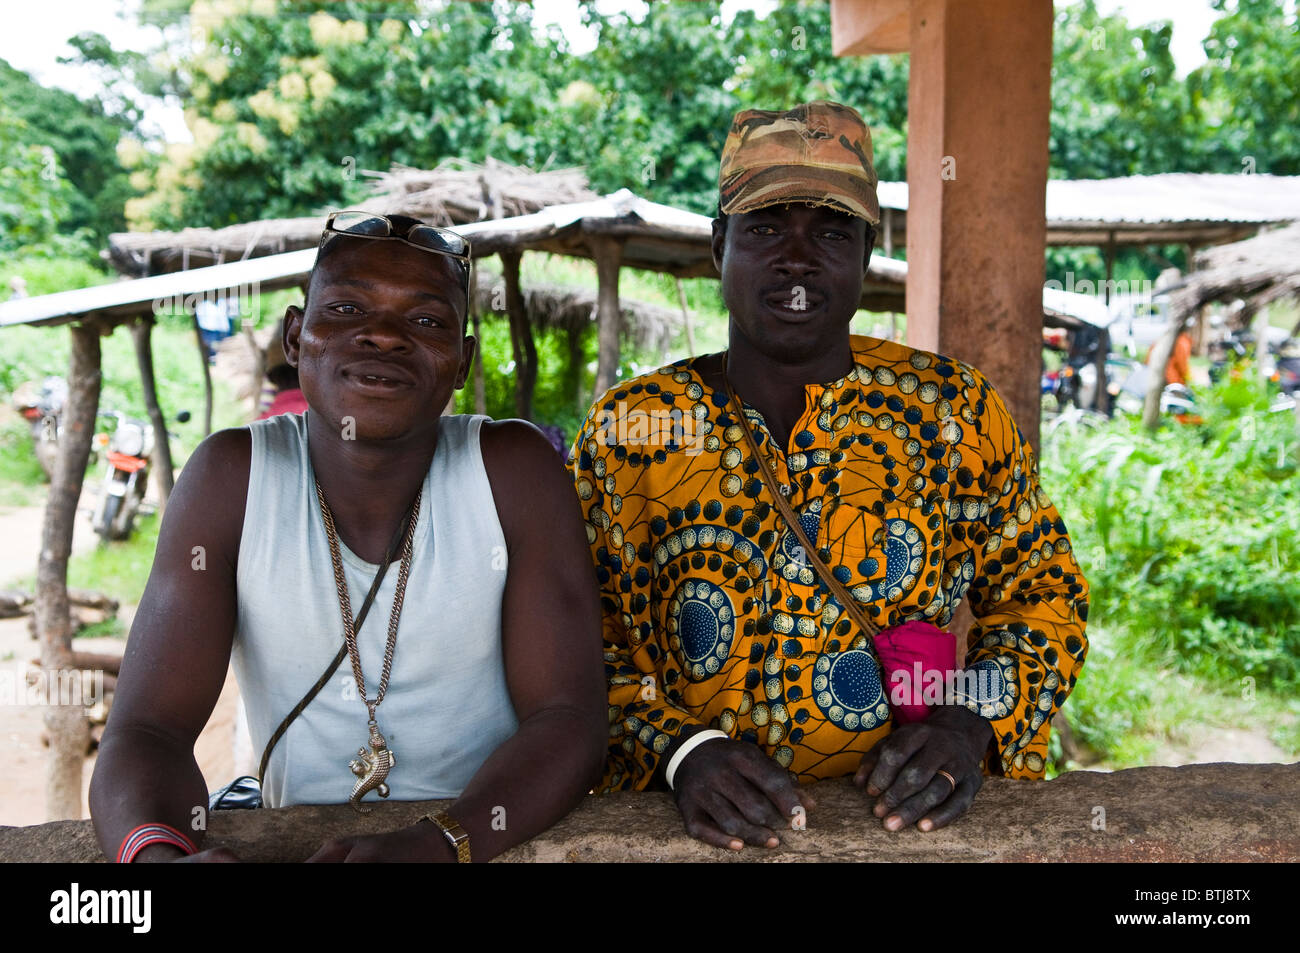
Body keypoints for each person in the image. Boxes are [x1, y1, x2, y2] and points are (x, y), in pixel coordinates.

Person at [570, 101, 1090, 851]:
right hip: (690, 833)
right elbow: (577, 641)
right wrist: (681, 753)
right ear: (720, 245)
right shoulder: (631, 430)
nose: (797, 256)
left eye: (831, 230)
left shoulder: (955, 411)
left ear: (867, 251)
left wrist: (968, 720)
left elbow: (1043, 596)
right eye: (766, 226)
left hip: (905, 832)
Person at [91, 211, 606, 862]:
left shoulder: (512, 472)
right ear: (295, 334)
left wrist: (441, 843)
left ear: (462, 360)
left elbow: (569, 721)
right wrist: (156, 858)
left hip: (488, 842)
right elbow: (147, 729)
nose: (384, 336)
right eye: (346, 307)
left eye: (425, 320)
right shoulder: (232, 481)